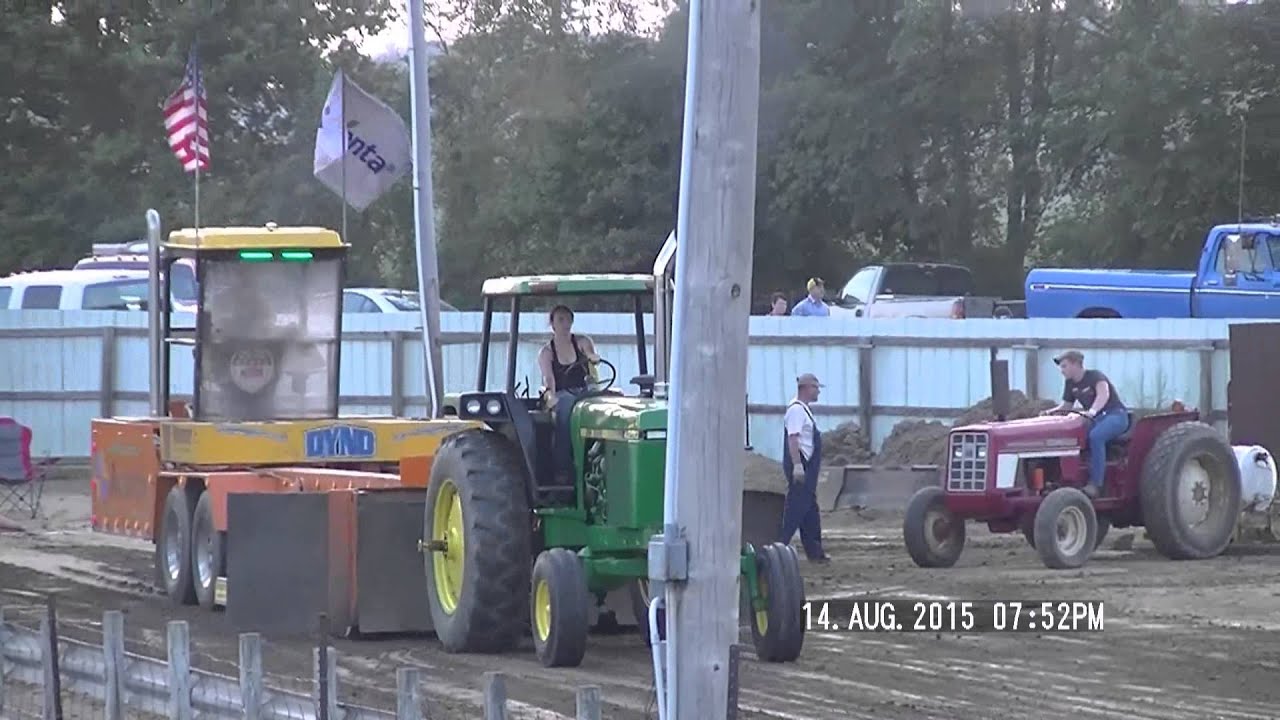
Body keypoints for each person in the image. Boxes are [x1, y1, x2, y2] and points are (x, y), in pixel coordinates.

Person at [1040, 350, 1129, 498]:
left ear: (1076, 364)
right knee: (1072, 438)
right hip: (1096, 419)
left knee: (1096, 436)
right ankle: (1065, 479)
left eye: (1064, 366)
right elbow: (1066, 406)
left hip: (1115, 415)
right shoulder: (1070, 383)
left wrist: (1092, 411)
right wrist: (1049, 413)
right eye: (1061, 367)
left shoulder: (1095, 376)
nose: (1062, 371)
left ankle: (1096, 484)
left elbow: (1103, 395)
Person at [537, 305, 599, 482]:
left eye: (568, 319)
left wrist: (592, 357)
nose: (565, 324)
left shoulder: (582, 342)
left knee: (609, 401)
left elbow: (591, 355)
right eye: (561, 320)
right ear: (552, 324)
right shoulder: (547, 352)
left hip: (585, 391)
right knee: (565, 408)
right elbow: (549, 379)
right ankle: (562, 468)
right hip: (564, 393)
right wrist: (551, 396)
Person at [779, 373, 831, 563]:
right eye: (816, 388)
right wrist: (797, 465)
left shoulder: (804, 410)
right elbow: (793, 439)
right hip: (801, 463)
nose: (818, 392)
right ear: (806, 388)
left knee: (810, 510)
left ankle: (815, 552)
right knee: (796, 509)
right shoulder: (796, 410)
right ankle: (778, 546)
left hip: (806, 464)